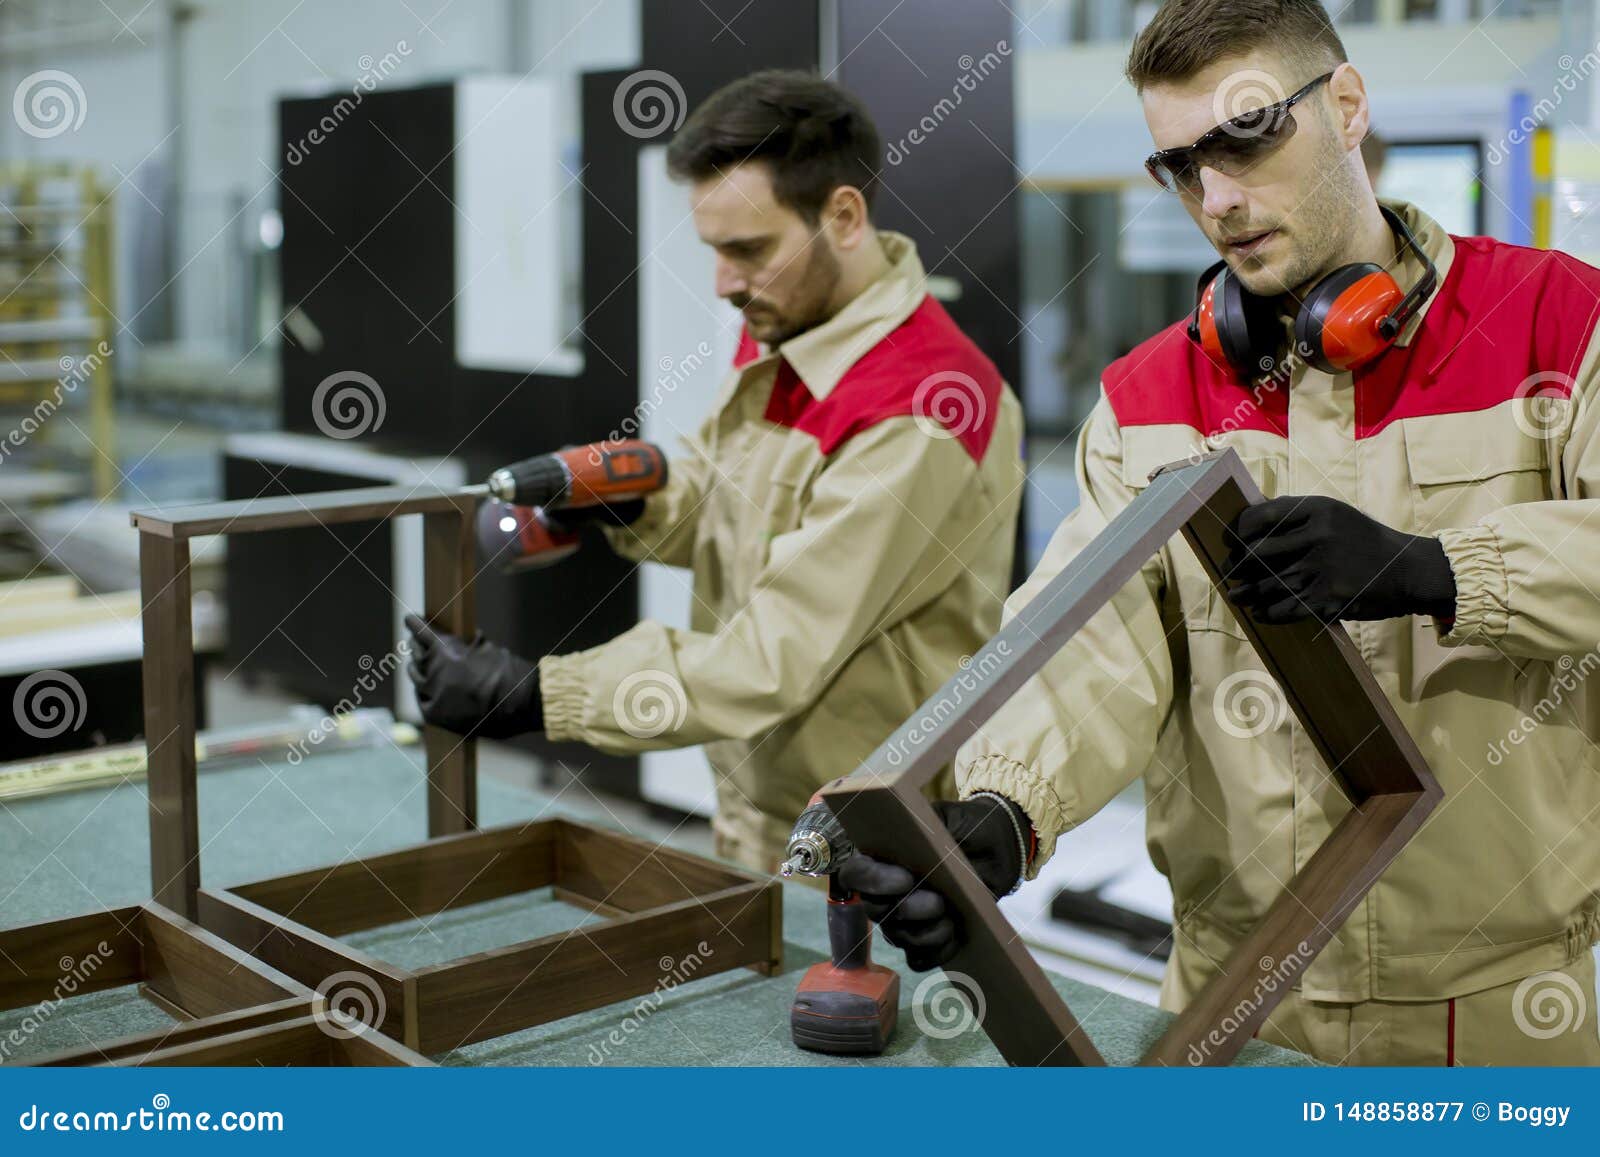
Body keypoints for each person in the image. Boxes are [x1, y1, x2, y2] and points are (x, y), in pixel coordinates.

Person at [842, 0, 1600, 1066]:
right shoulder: (1152, 395)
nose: (1218, 200)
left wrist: (1434, 569)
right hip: (1230, 995)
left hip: (1494, 1009)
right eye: (1180, 168)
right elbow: (1099, 635)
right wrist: (1007, 810)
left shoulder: (1555, 323)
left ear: (1344, 106)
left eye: (1246, 139)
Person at [406, 70, 1026, 876]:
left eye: (748, 250)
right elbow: (726, 499)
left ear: (842, 215)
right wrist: (630, 501)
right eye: (714, 250)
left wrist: (538, 694)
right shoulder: (788, 322)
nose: (725, 285)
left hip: (873, 847)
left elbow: (774, 656)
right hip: (756, 802)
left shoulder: (924, 407)